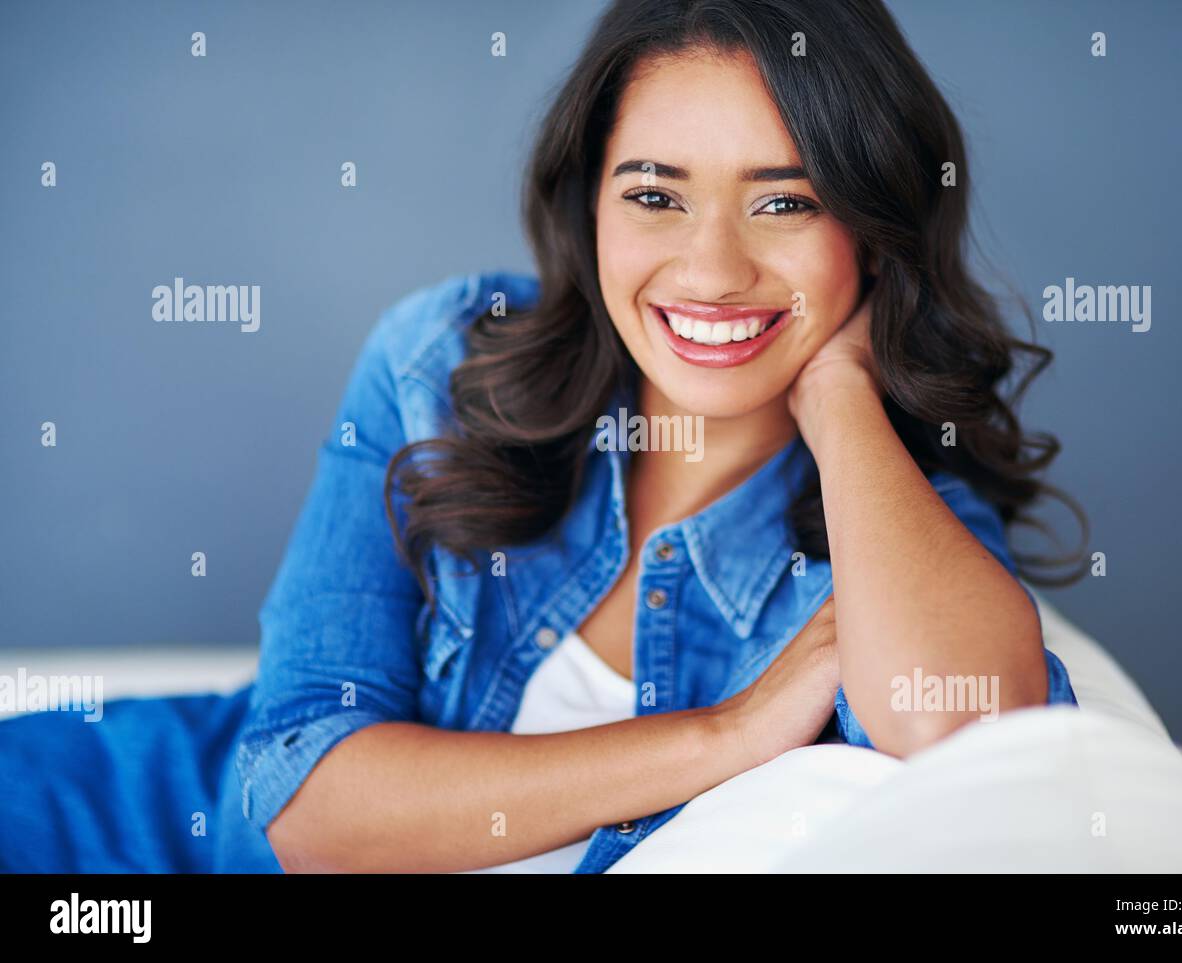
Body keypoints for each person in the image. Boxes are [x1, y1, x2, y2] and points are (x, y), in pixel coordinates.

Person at [0, 0, 1085, 874]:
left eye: (787, 204)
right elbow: (303, 804)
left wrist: (838, 386)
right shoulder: (443, 365)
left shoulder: (893, 539)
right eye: (655, 195)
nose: (710, 269)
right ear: (590, 209)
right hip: (99, 820)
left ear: (878, 232)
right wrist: (725, 736)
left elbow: (960, 740)